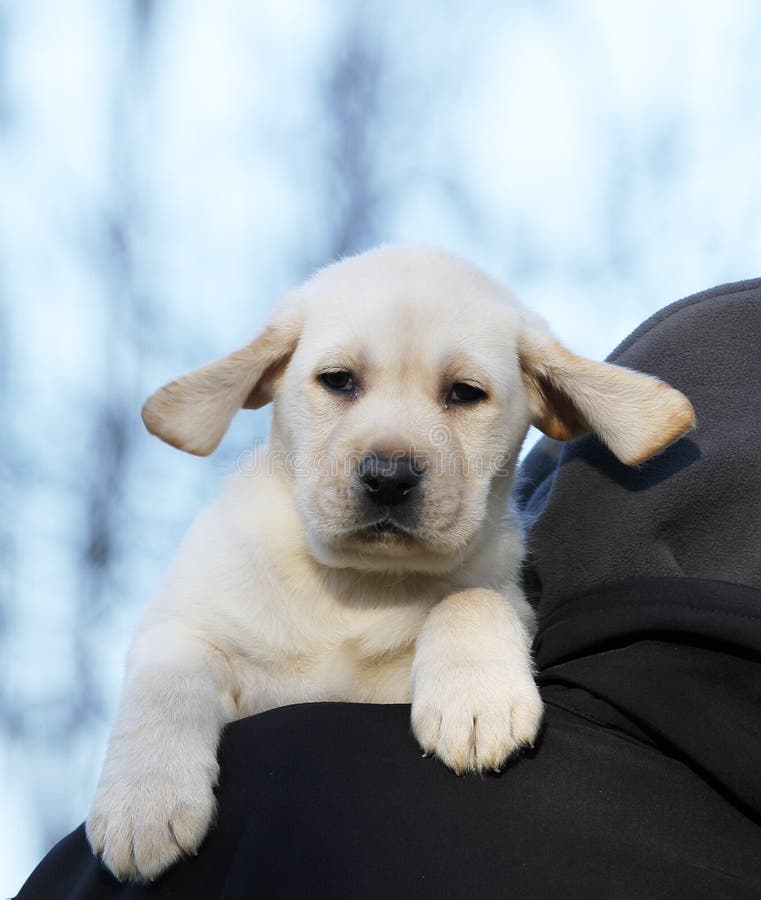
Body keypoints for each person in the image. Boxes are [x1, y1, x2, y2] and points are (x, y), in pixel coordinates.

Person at [17, 277, 761, 899]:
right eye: (340, 382)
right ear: (273, 376)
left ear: (543, 400)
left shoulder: (491, 595)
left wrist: (474, 622)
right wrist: (160, 722)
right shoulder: (229, 547)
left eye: (463, 393)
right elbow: (180, 646)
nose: (391, 463)